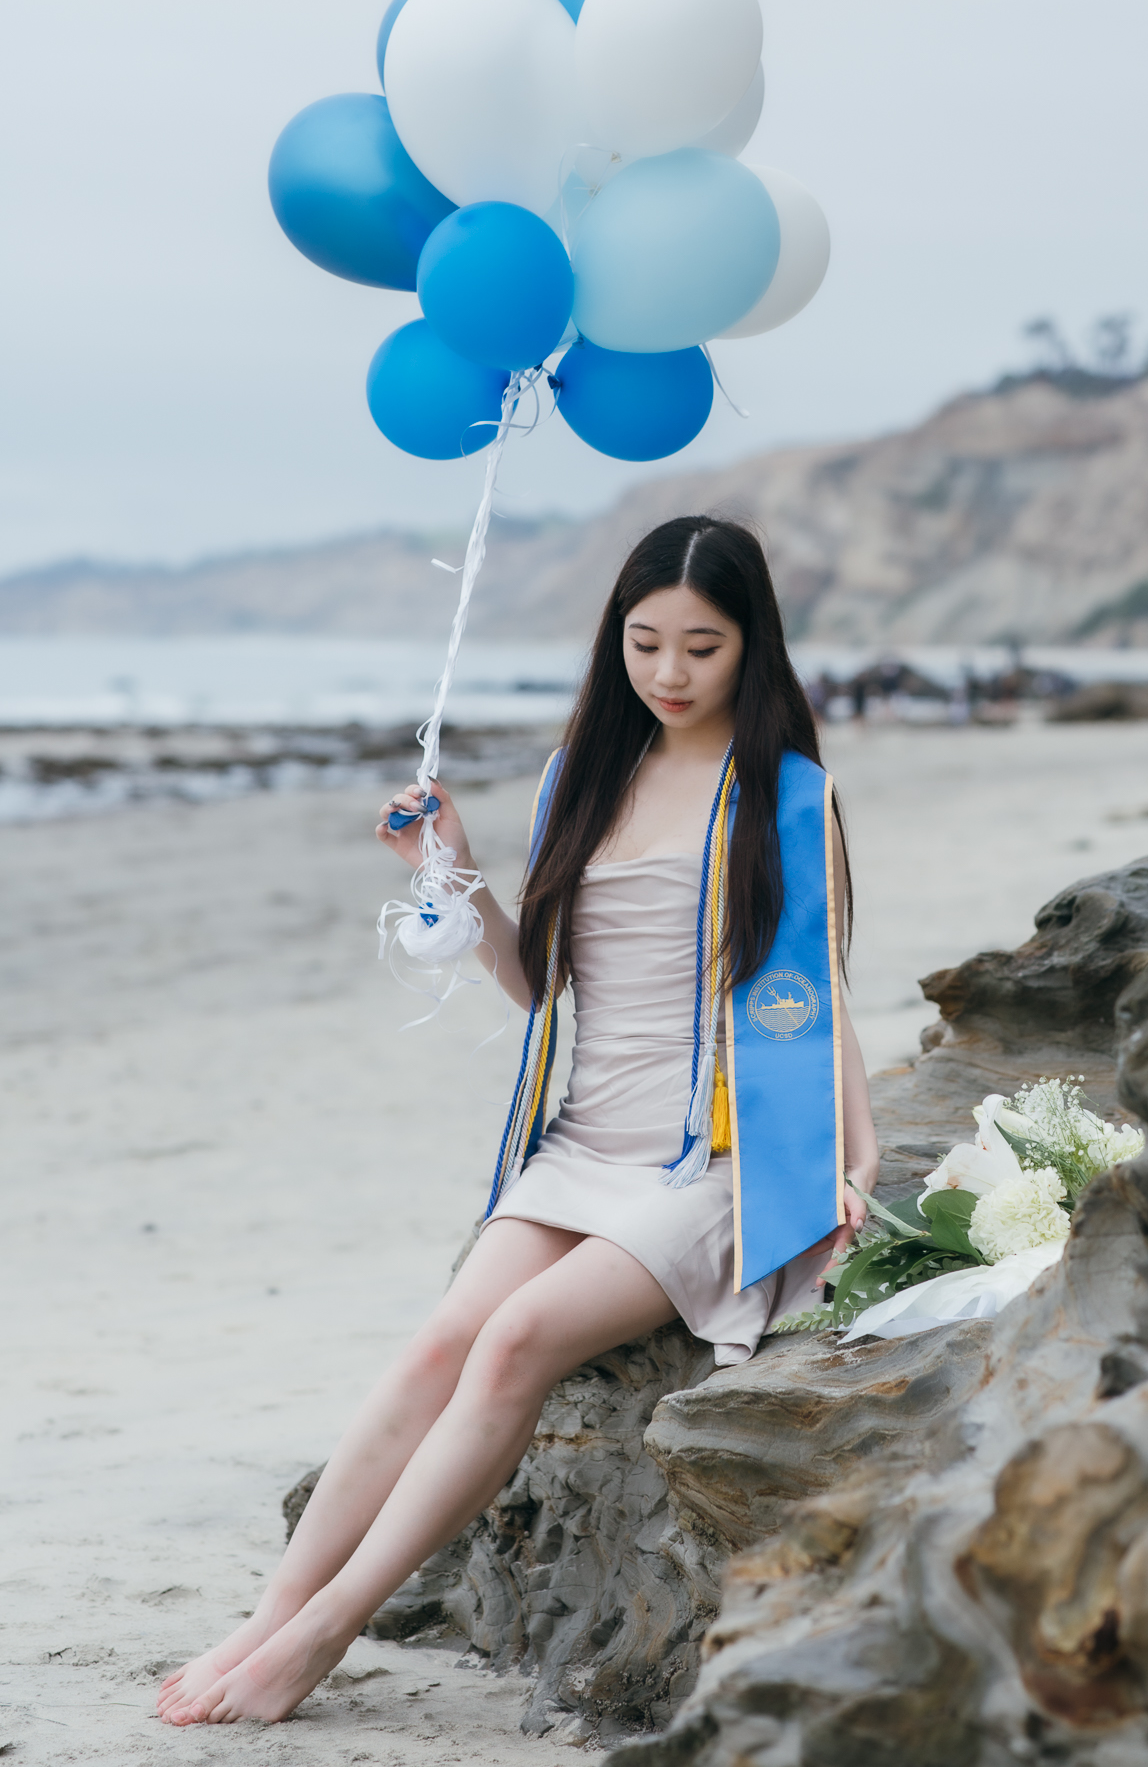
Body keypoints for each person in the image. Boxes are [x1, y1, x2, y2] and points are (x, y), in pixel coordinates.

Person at [157, 515, 878, 1727]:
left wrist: (849, 1168)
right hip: (581, 1141)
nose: (670, 673)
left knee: (512, 1343)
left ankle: (325, 1636)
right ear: (616, 643)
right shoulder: (578, 778)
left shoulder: (787, 798)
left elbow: (823, 998)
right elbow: (541, 987)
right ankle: (272, 1611)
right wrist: (454, 872)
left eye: (702, 647)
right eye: (645, 643)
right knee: (438, 1346)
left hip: (711, 1159)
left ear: (751, 650)